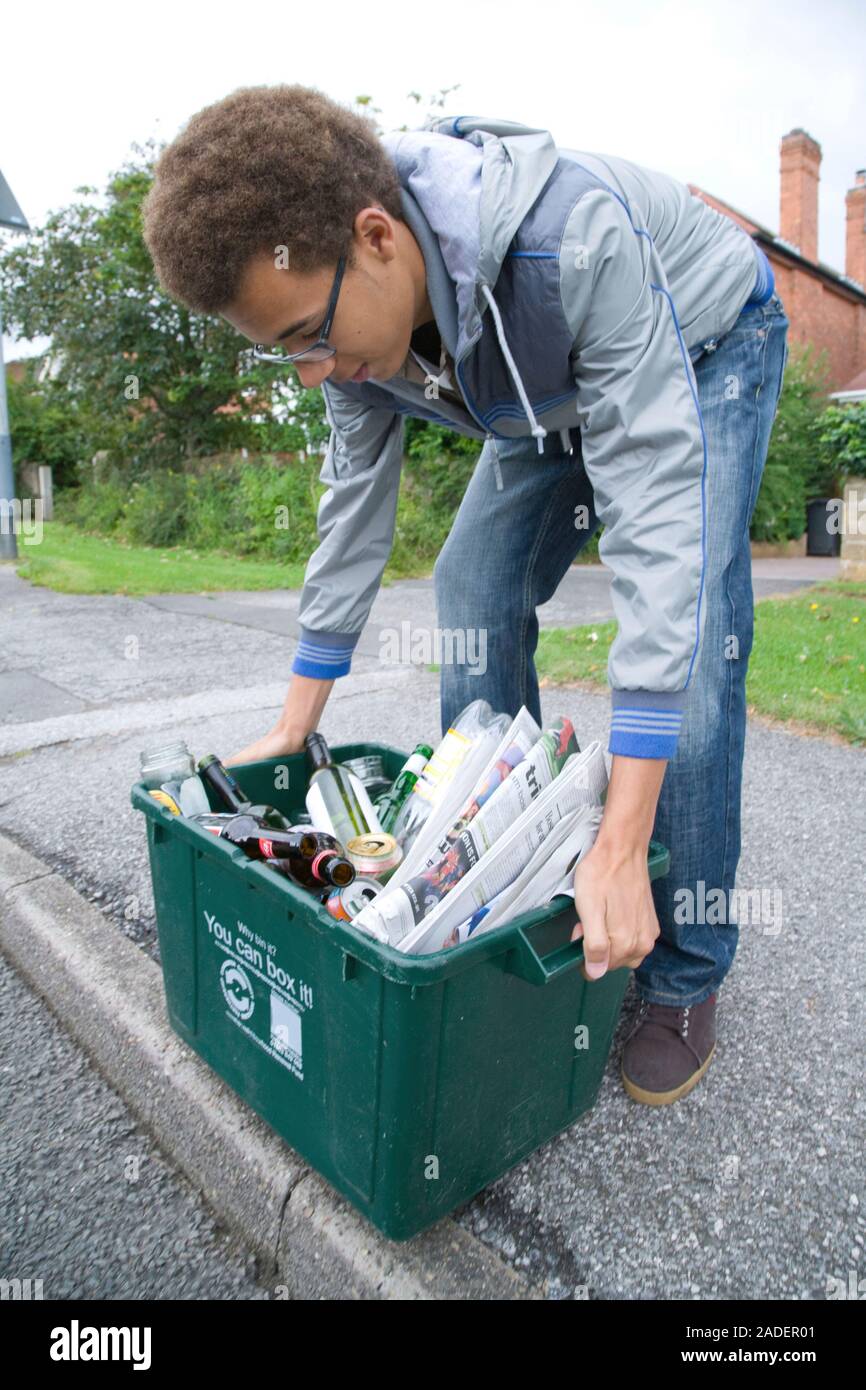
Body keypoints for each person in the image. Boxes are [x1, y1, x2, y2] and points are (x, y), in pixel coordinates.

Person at [142, 84, 789, 1106]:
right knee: (472, 583)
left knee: (692, 647)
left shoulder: (563, 240)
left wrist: (625, 841)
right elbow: (349, 519)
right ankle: (494, 867)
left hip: (702, 342)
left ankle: (680, 964)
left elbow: (655, 549)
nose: (312, 376)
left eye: (310, 334)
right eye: (283, 354)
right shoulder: (346, 344)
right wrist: (290, 728)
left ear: (376, 236)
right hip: (550, 385)